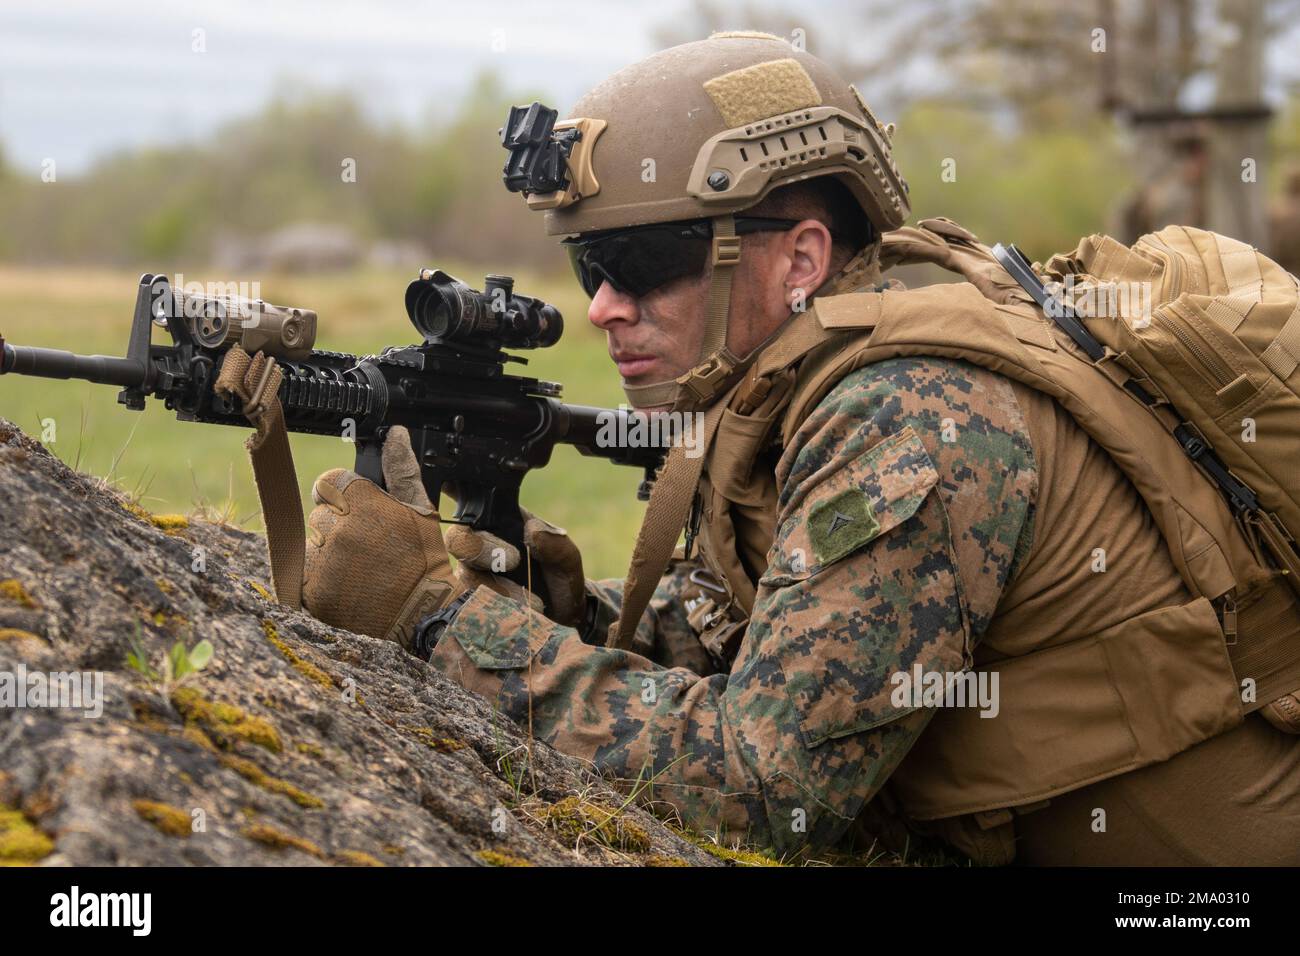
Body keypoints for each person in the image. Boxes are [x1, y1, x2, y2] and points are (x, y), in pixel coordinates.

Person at [300, 32, 1300, 865]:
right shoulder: (788, 389)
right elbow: (789, 653)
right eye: (588, 266)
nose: (603, 306)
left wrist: (438, 619)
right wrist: (578, 618)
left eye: (639, 261)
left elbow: (767, 789)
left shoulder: (908, 411)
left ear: (802, 257)